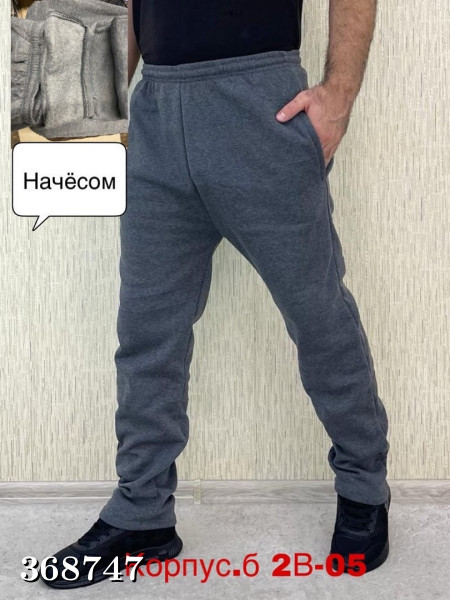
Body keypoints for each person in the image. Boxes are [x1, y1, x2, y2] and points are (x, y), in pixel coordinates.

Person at [42, 0, 391, 588]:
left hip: (261, 105)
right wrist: (97, 108)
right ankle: (141, 514)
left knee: (318, 316)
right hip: (156, 109)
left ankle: (363, 487)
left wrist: (339, 96)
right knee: (147, 333)